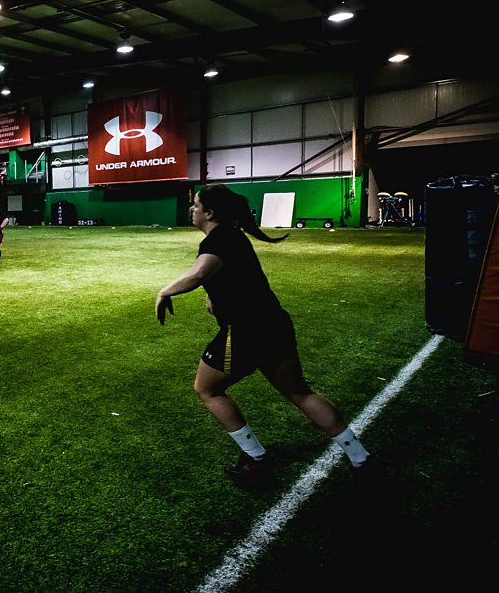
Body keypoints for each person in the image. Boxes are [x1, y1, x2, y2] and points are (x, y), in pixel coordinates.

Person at [154, 184, 371, 481]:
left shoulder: (218, 240)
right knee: (299, 393)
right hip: (274, 325)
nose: (191, 209)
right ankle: (360, 456)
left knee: (207, 389)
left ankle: (256, 457)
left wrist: (165, 292)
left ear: (209, 212)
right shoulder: (234, 237)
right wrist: (216, 299)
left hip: (246, 333)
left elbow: (200, 272)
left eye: (195, 204)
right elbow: (232, 278)